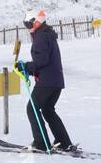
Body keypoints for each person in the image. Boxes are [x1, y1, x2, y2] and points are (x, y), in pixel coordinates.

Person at [17, 9, 74, 152]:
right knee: (48, 110)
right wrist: (29, 68)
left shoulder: (41, 36)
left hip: (47, 81)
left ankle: (41, 143)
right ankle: (63, 141)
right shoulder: (47, 35)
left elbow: (41, 60)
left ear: (35, 22)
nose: (28, 28)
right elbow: (44, 60)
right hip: (56, 81)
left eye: (28, 24)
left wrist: (26, 66)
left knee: (32, 109)